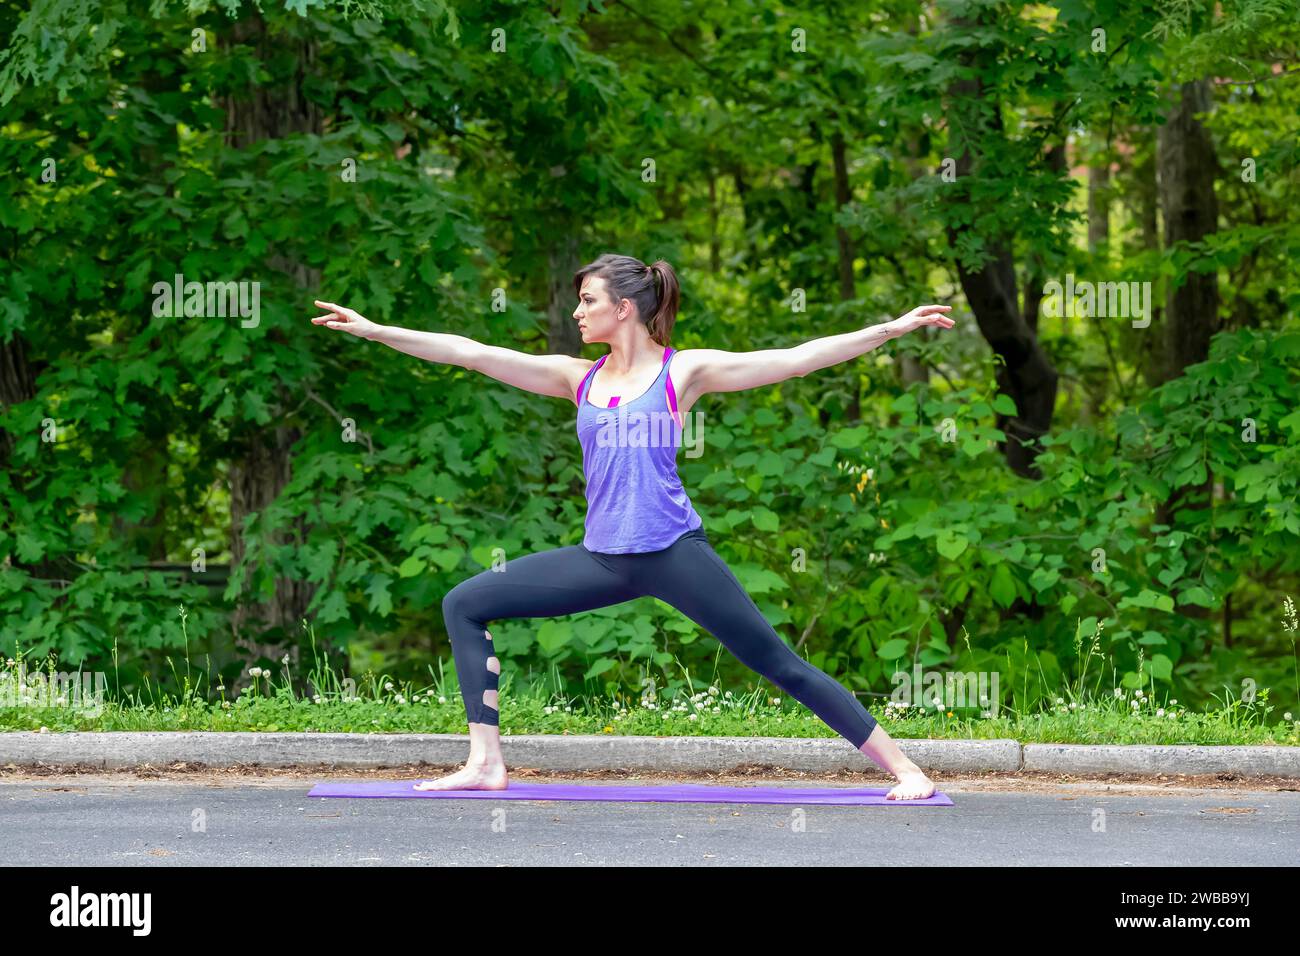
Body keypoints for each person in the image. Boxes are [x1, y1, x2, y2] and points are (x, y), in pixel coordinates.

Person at [311, 252, 954, 799]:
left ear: (624, 308)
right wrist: (375, 331)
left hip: (673, 552)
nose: (577, 312)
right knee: (464, 603)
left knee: (776, 662)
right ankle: (485, 762)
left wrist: (892, 329)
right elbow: (471, 353)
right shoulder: (577, 378)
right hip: (603, 559)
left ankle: (906, 769)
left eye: (588, 300)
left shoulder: (683, 372)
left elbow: (796, 358)